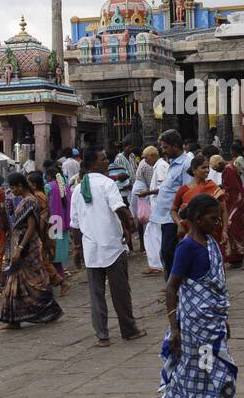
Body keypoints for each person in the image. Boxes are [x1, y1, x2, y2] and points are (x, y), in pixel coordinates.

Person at [142, 193, 244, 398]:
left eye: (218, 217)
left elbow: (215, 288)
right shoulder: (187, 248)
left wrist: (222, 319)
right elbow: (172, 288)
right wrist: (175, 328)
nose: (217, 222)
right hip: (195, 329)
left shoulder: (210, 243)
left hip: (212, 325)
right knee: (223, 380)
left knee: (192, 380)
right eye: (212, 218)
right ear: (196, 219)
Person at [70, 148, 144, 346]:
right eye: (103, 158)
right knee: (120, 292)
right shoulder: (107, 184)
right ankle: (128, 330)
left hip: (91, 249)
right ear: (93, 163)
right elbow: (119, 208)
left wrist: (77, 248)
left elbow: (75, 225)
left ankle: (102, 335)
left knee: (96, 295)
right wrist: (129, 226)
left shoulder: (78, 189)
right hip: (112, 245)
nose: (107, 161)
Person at [0, 172, 64, 329]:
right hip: (21, 243)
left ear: (20, 186)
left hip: (27, 246)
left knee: (33, 280)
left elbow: (31, 227)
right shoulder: (23, 200)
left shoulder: (30, 201)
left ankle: (47, 309)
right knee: (15, 279)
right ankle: (13, 318)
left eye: (13, 187)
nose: (12, 190)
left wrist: (20, 248)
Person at [149, 131, 192, 278]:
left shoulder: (185, 164)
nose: (164, 150)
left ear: (175, 146)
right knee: (167, 253)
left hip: (175, 219)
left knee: (170, 252)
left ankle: (176, 284)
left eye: (166, 147)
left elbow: (188, 193)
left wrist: (182, 220)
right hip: (167, 217)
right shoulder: (173, 163)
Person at [172, 154, 226, 245]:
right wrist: (179, 223)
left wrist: (225, 230)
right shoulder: (184, 190)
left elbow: (223, 210)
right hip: (190, 232)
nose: (207, 170)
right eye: (203, 167)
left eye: (208, 167)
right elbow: (173, 210)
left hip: (213, 231)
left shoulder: (213, 186)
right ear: (194, 170)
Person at [214, 154, 244, 268]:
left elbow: (232, 190)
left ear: (220, 164)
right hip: (235, 204)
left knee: (236, 231)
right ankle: (236, 259)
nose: (217, 171)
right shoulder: (229, 168)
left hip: (235, 205)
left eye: (216, 169)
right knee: (234, 231)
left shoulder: (228, 170)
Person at [142, 146, 171, 274]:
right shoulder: (158, 166)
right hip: (158, 207)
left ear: (153, 155)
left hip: (162, 208)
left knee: (156, 236)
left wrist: (147, 192)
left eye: (146, 157)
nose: (145, 160)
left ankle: (159, 264)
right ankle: (157, 264)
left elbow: (164, 187)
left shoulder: (161, 167)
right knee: (151, 235)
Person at [44, 162, 72, 282]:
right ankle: (59, 275)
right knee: (59, 250)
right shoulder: (65, 186)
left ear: (49, 176)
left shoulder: (49, 187)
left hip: (53, 221)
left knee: (52, 251)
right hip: (63, 221)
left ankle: (57, 277)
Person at [108, 140, 137, 206]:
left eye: (132, 147)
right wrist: (125, 185)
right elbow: (117, 175)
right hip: (125, 187)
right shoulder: (119, 158)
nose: (131, 149)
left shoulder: (132, 156)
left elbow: (135, 168)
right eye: (129, 147)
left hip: (133, 186)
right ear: (124, 147)